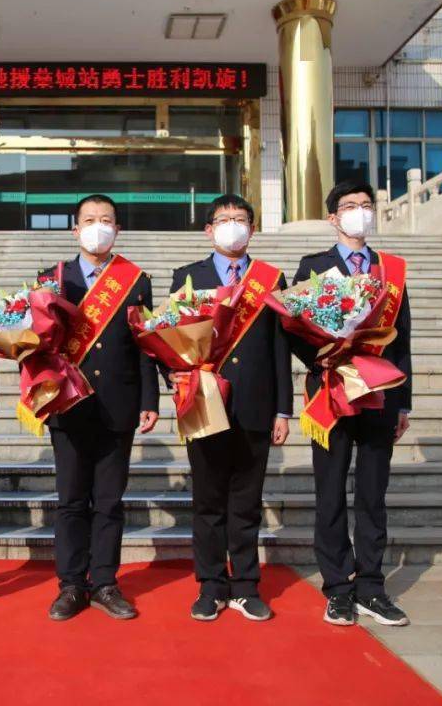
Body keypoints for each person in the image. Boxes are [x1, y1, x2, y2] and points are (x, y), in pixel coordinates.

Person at [291, 180, 413, 628]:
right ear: (332, 217)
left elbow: (403, 339)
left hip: (380, 394)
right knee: (330, 493)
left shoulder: (391, 269)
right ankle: (338, 588)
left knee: (372, 494)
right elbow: (295, 327)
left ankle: (372, 587)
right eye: (349, 206)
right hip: (331, 391)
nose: (359, 211)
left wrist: (404, 403)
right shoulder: (313, 266)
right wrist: (324, 357)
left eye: (365, 205)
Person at [168, 195, 292, 622]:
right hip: (204, 402)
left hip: (256, 405)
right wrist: (174, 376)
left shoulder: (271, 278)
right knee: (207, 502)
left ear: (253, 229)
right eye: (224, 219)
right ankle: (211, 586)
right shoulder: (187, 277)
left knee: (246, 502)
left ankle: (246, 586)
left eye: (241, 219)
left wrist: (283, 410)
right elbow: (169, 338)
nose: (233, 225)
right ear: (209, 230)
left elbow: (280, 347)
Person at [38, 194, 159, 621]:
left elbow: (145, 344)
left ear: (117, 229)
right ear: (75, 229)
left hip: (118, 403)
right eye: (89, 220)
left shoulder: (135, 279)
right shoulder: (52, 278)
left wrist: (149, 399)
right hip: (68, 404)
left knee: (109, 501)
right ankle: (71, 585)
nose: (98, 227)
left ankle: (105, 582)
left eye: (106, 220)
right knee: (71, 500)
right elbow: (36, 345)